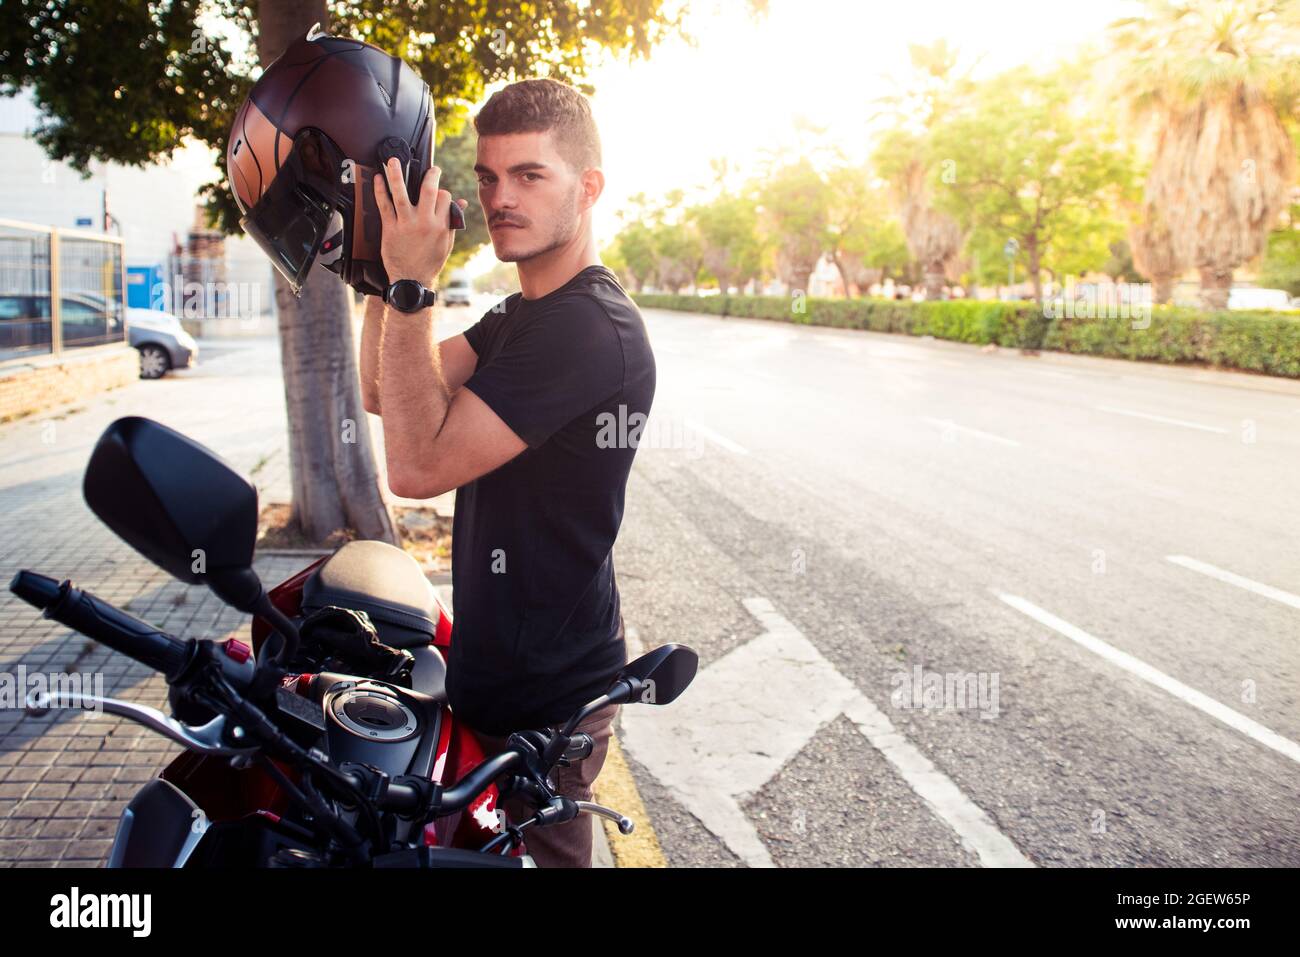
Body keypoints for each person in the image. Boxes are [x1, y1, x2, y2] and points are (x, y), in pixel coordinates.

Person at [359, 77, 655, 867]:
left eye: (531, 175)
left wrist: (412, 286)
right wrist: (376, 270)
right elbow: (386, 390)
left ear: (588, 188)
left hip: (552, 697)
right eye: (489, 178)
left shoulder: (589, 330)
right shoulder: (521, 316)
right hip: (489, 669)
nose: (501, 198)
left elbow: (417, 466)